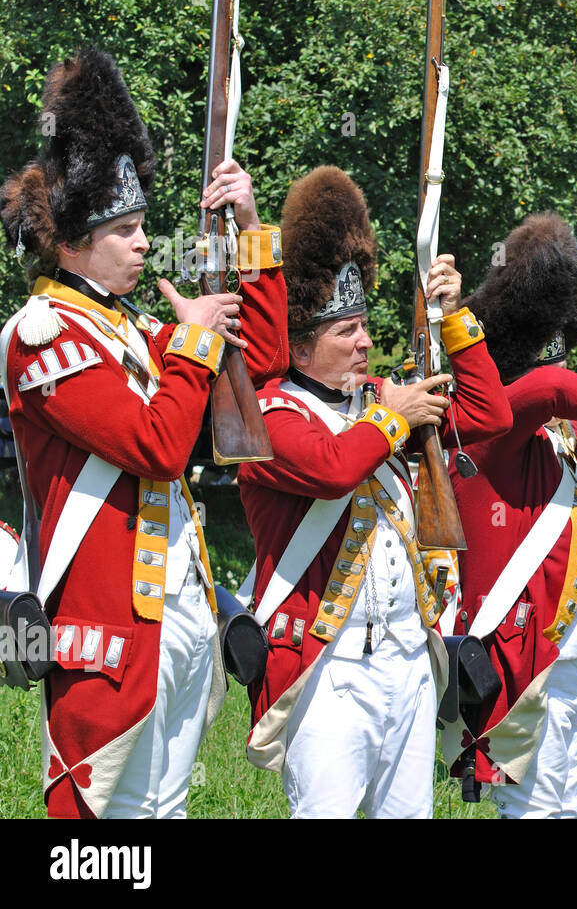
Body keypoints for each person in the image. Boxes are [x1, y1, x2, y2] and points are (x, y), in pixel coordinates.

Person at [0, 46, 285, 817]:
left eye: (140, 226)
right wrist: (191, 339)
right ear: (72, 240)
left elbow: (260, 362)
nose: (140, 242)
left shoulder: (130, 331)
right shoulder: (42, 333)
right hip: (109, 637)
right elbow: (156, 442)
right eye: (123, 229)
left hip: (179, 627)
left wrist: (250, 227)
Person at [237, 166, 510, 818]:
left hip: (409, 661)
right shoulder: (269, 415)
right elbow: (333, 467)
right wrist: (393, 415)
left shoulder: (379, 401)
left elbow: (492, 415)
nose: (364, 341)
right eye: (346, 332)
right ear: (301, 348)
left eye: (363, 326)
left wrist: (455, 314)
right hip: (326, 670)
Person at [445, 212, 577, 818]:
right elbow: (550, 387)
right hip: (529, 654)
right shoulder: (494, 428)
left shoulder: (557, 437)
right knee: (534, 809)